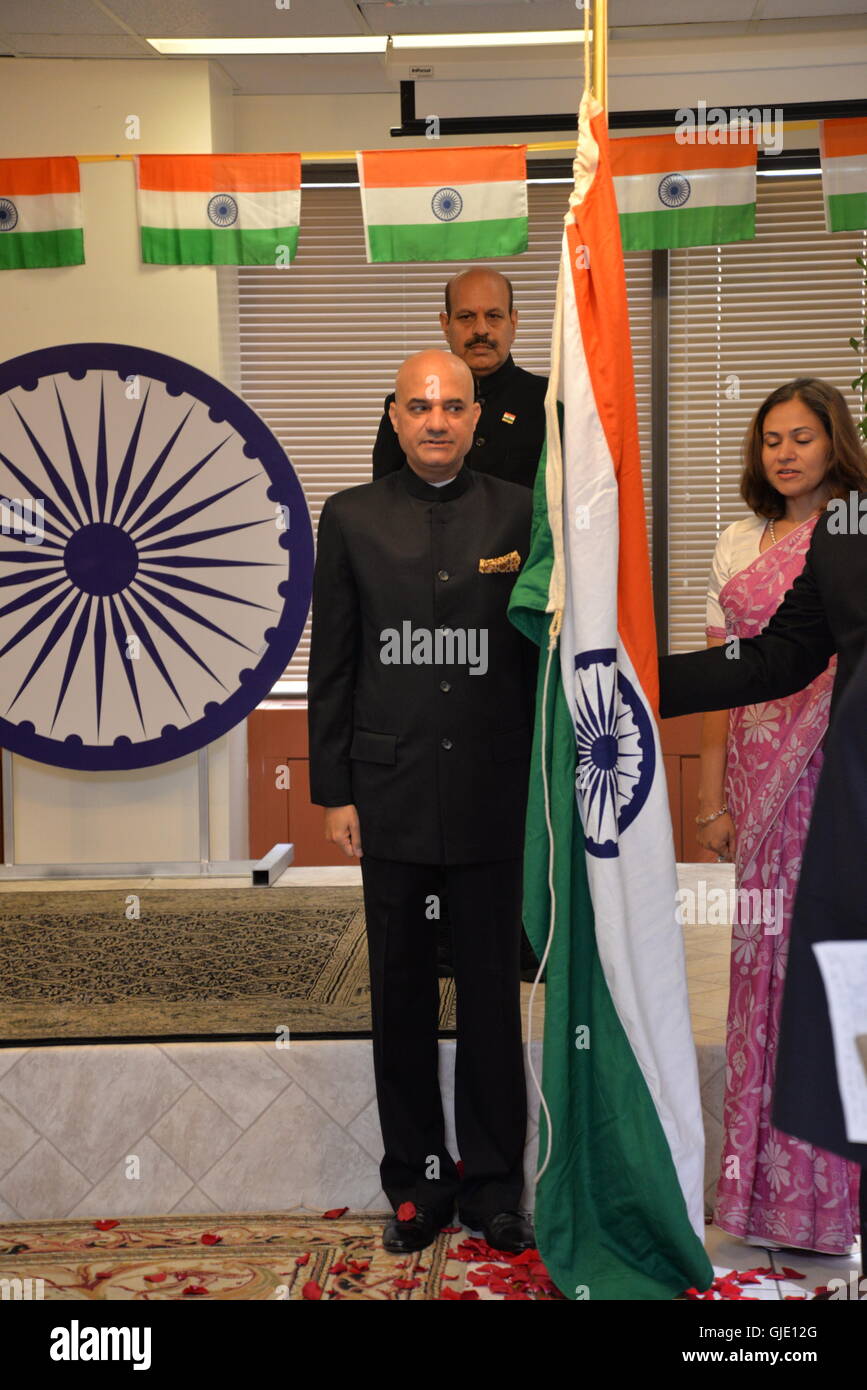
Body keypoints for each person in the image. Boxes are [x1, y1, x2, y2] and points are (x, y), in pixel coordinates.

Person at [308, 349, 537, 1255]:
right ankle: (416, 1185)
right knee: (399, 995)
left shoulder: (521, 513)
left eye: (452, 406)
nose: (436, 421)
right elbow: (335, 661)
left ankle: (491, 1189)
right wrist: (333, 791)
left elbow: (538, 660)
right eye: (418, 407)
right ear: (394, 416)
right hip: (390, 792)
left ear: (477, 418)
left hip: (492, 793)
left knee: (489, 996)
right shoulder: (351, 517)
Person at [659, 377, 867, 1270]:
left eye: (802, 437)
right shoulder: (834, 541)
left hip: (837, 776)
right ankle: (786, 1196)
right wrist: (631, 680)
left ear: (836, 444)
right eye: (770, 438)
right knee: (803, 982)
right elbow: (778, 656)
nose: (784, 453)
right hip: (810, 787)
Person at [371, 268, 548, 490]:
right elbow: (385, 499)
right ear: (446, 324)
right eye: (466, 317)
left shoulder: (548, 402)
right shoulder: (408, 404)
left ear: (513, 323)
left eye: (494, 316)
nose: (481, 330)